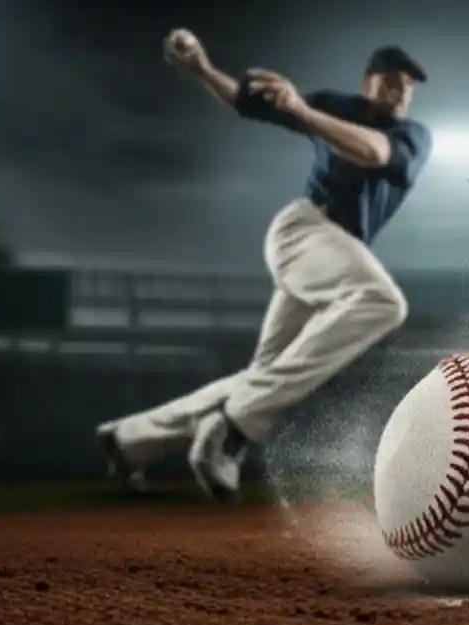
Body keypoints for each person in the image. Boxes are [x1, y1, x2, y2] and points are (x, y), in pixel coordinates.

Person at [96, 30, 432, 500]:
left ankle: (129, 441)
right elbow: (247, 102)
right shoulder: (337, 105)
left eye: (408, 86)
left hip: (332, 252)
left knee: (263, 376)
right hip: (306, 231)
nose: (399, 92)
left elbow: (374, 152)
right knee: (381, 301)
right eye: (392, 81)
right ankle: (232, 430)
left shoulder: (412, 135)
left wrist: (302, 111)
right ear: (368, 81)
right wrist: (203, 69)